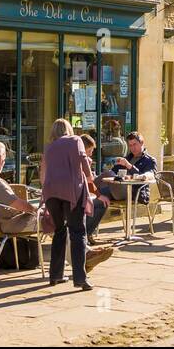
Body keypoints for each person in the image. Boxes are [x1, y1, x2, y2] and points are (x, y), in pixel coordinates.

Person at [42, 120, 112, 290]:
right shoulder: (75, 140)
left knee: (59, 232)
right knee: (77, 232)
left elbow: (43, 172)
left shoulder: (49, 147)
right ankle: (80, 278)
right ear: (69, 129)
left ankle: (55, 275)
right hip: (72, 191)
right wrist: (92, 184)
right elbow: (84, 163)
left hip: (51, 193)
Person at [87, 131, 158, 239]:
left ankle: (91, 185)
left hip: (136, 193)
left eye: (135, 144)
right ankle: (86, 234)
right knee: (98, 201)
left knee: (105, 182)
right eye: (130, 145)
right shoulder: (127, 157)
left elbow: (149, 176)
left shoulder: (149, 160)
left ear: (142, 143)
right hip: (118, 190)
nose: (132, 148)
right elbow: (114, 172)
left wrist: (129, 166)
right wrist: (115, 167)